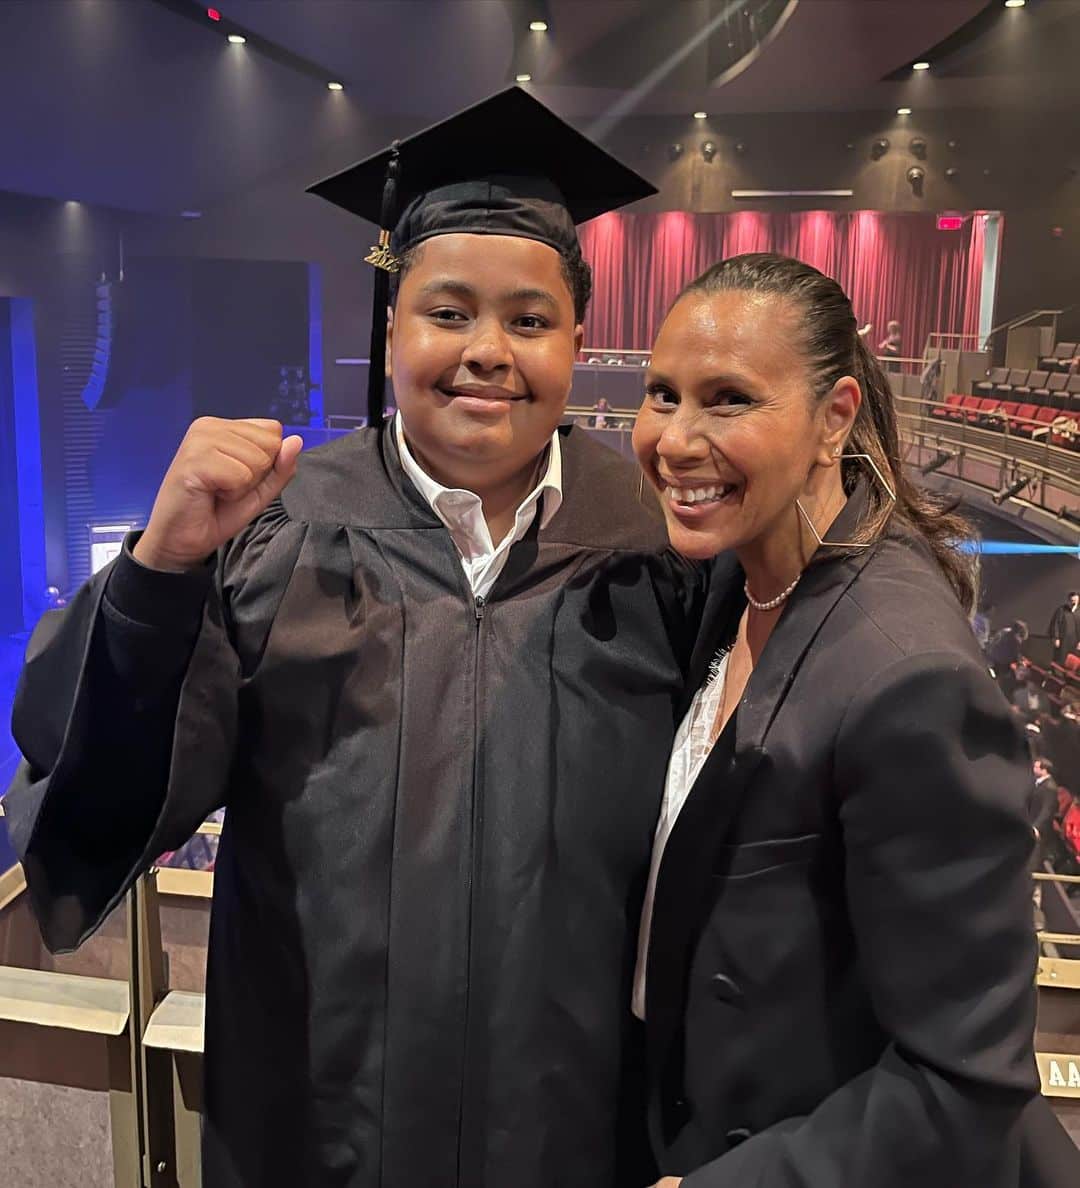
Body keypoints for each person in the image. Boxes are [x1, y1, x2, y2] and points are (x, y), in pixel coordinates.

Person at [4, 88, 700, 1188]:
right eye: (448, 312)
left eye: (528, 320)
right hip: (317, 1129)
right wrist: (158, 577)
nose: (487, 351)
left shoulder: (660, 548)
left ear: (579, 341)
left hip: (572, 1132)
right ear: (392, 329)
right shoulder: (278, 533)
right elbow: (106, 796)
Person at [630, 253, 1074, 1186]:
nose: (674, 439)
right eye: (662, 394)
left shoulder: (908, 677)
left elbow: (962, 1085)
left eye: (728, 400)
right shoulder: (736, 578)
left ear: (835, 416)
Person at [1049, 590, 1080, 666]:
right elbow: (1055, 623)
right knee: (1061, 659)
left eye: (1075, 600)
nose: (1073, 602)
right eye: (1072, 600)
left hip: (1075, 641)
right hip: (1063, 640)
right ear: (1069, 600)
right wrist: (1056, 638)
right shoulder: (1062, 610)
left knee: (1073, 662)